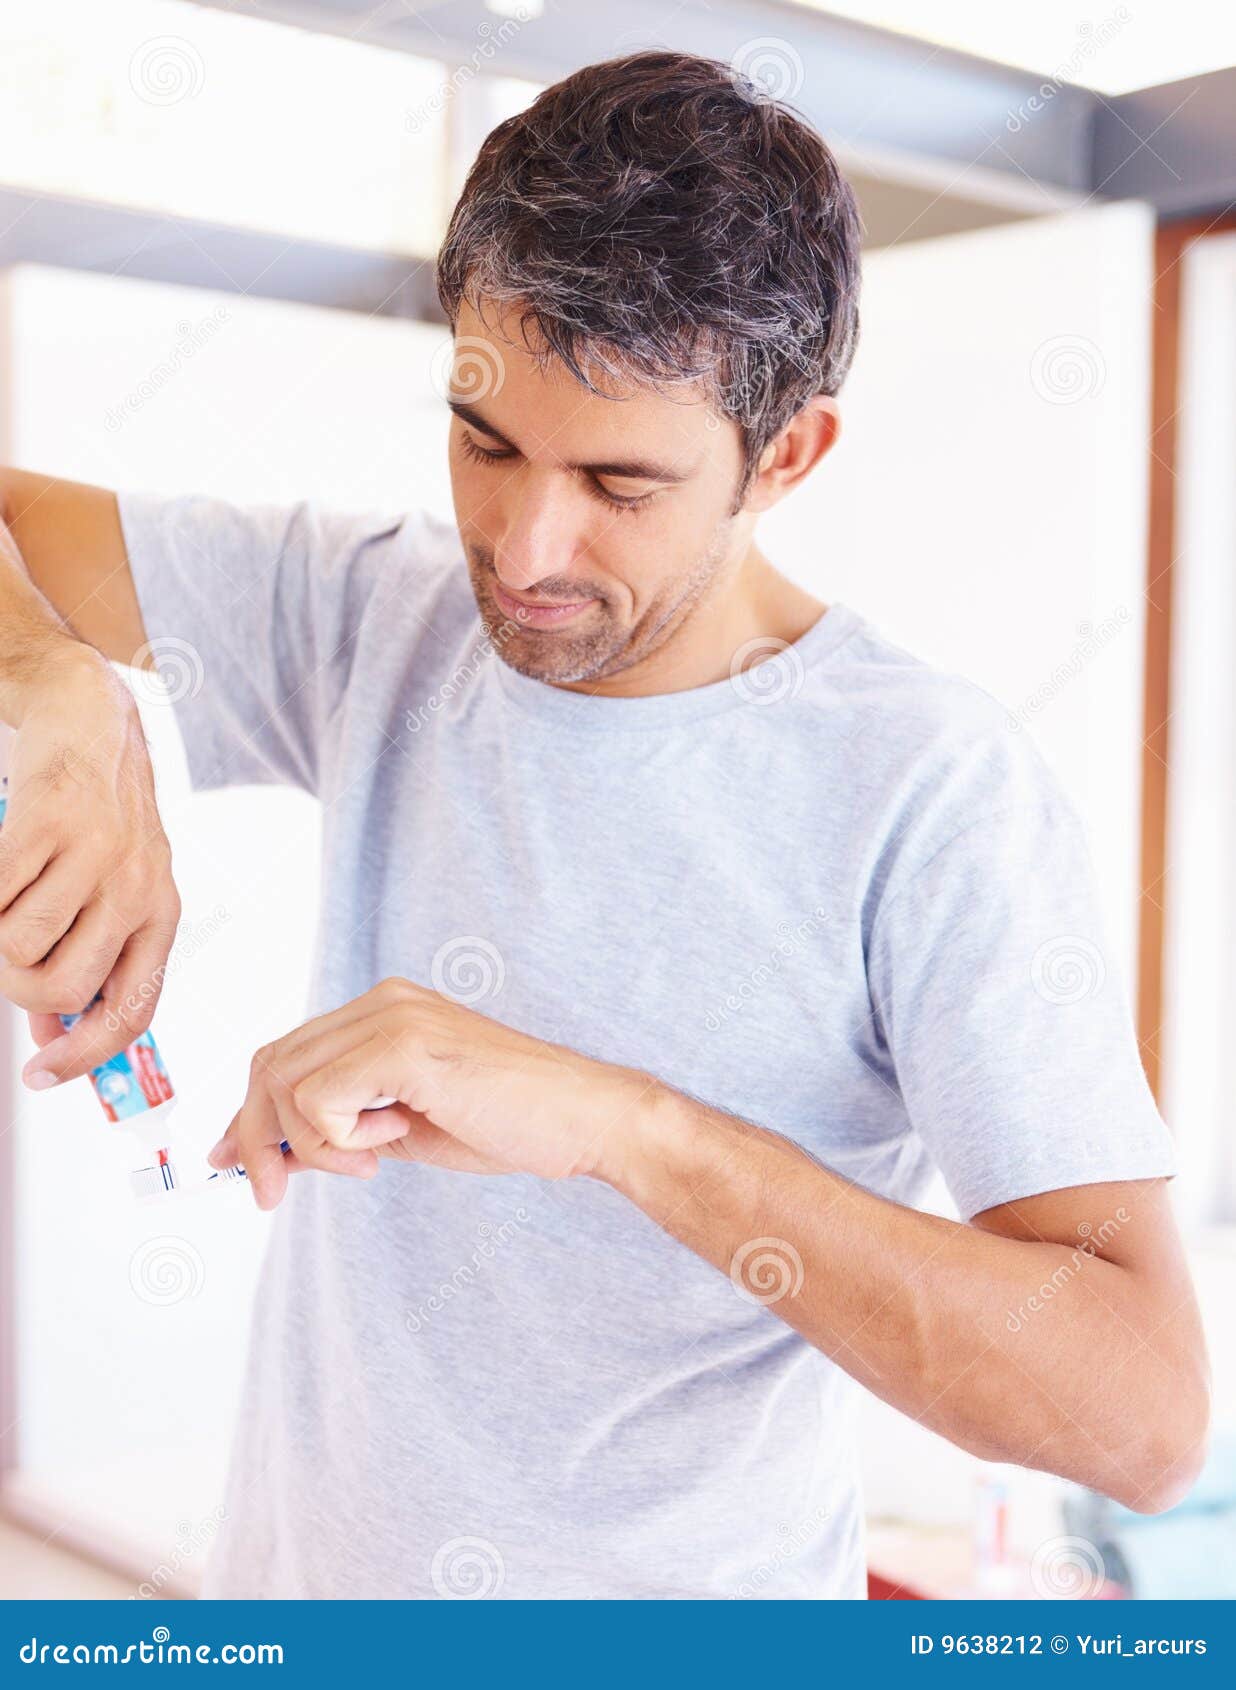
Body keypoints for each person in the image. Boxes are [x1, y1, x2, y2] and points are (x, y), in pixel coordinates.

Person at [0, 52, 1208, 1600]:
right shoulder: (381, 613)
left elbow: (1148, 1416)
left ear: (788, 457)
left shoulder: (929, 794)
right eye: (486, 441)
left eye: (621, 482)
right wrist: (61, 698)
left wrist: (623, 1128)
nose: (522, 547)